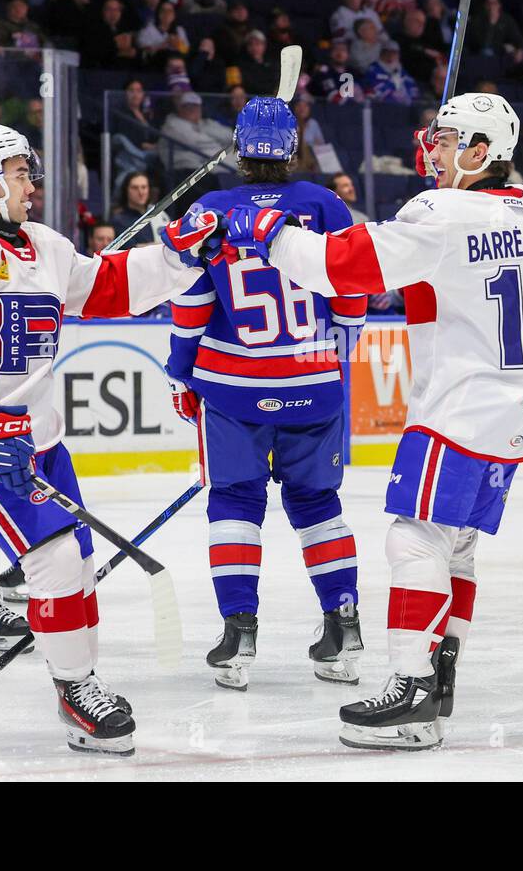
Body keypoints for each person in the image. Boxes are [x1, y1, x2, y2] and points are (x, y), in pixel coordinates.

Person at [223, 92, 523, 751]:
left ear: (482, 152)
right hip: (511, 409)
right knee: (455, 545)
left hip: (456, 409)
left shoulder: (438, 210)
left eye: (450, 139)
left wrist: (265, 232)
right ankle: (441, 671)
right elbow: (423, 252)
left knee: (413, 542)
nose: (433, 147)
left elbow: (344, 271)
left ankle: (411, 691)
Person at [0, 122, 206, 756]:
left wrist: (176, 255)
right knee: (54, 558)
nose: (30, 182)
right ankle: (76, 690)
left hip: (38, 438)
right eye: (19, 171)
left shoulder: (42, 243)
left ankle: (83, 674)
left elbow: (105, 287)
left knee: (76, 563)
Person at [164, 97, 367, 691]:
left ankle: (239, 635)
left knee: (234, 502)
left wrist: (181, 370)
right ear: (293, 148)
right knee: (317, 505)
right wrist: (335, 354)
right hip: (314, 386)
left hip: (233, 390)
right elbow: (351, 292)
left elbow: (192, 303)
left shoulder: (211, 209)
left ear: (239, 148)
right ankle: (343, 627)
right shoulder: (326, 205)